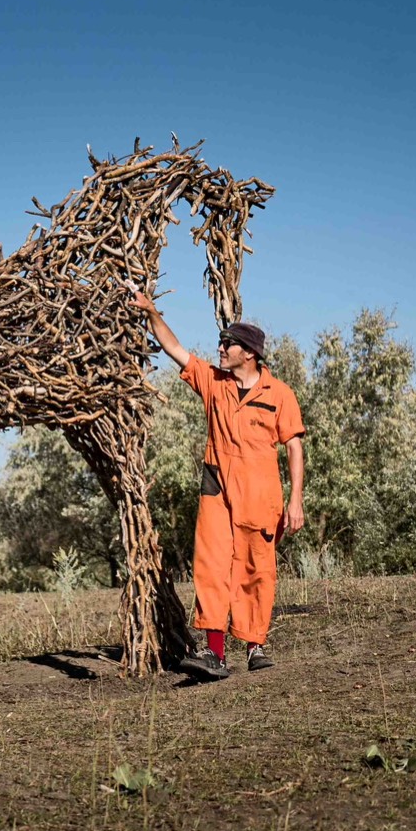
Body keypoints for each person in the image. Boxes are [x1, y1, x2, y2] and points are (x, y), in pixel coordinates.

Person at [129, 289, 305, 678]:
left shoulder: (280, 395)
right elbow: (175, 349)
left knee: (256, 569)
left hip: (260, 494)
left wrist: (297, 500)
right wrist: (151, 312)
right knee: (210, 567)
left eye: (229, 344)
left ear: (250, 353)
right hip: (217, 487)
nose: (221, 348)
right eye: (222, 342)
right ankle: (214, 653)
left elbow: (294, 446)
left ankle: (255, 645)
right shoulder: (214, 382)